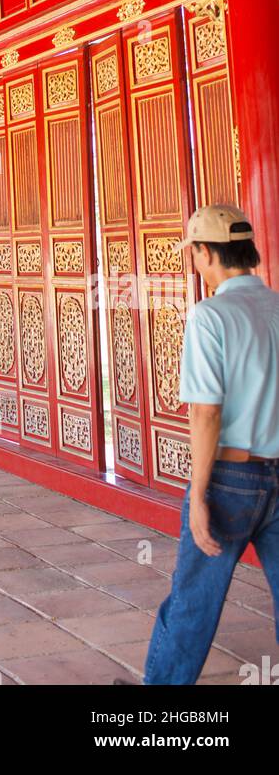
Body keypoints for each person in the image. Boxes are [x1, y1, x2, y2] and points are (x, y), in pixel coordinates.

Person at [140, 204, 279, 685]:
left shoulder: (210, 315)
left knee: (193, 600)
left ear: (204, 253)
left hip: (231, 480)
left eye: (193, 253)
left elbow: (206, 412)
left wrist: (198, 495)